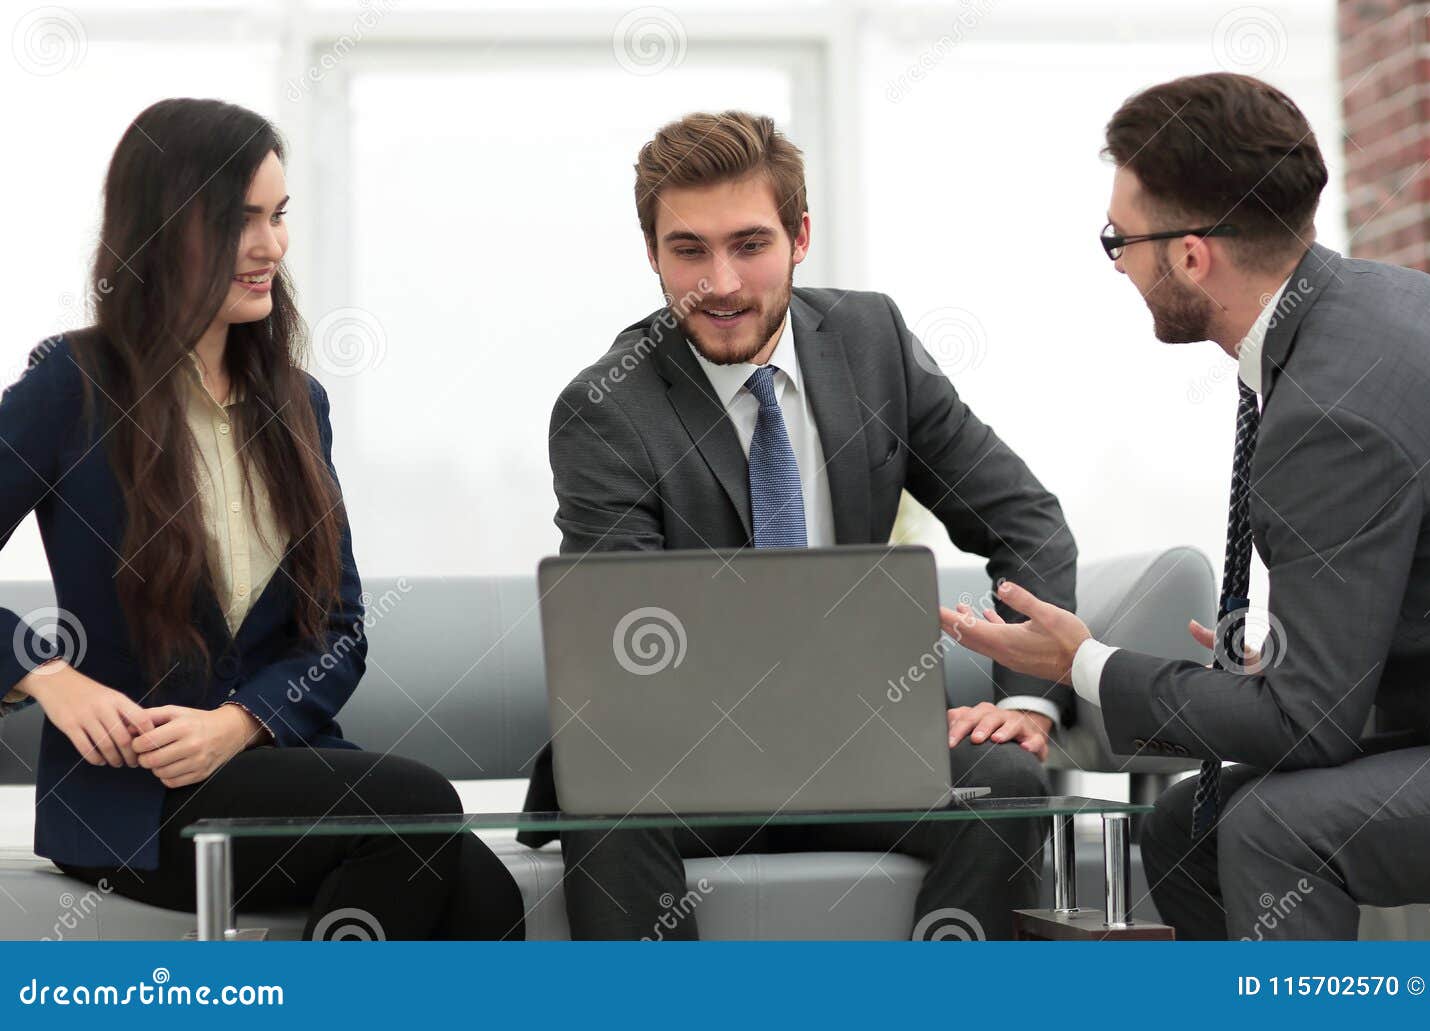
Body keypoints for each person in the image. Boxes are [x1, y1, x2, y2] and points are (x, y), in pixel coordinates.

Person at [942, 72, 1430, 940]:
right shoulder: (1376, 307)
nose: (1121, 266)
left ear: (1190, 254)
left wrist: (1083, 663)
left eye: (1120, 239)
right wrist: (1283, 665)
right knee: (1184, 826)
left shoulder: (1329, 407)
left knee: (1274, 829)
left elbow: (1308, 725)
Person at [521, 110, 1078, 940]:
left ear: (800, 235)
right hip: (684, 765)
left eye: (749, 244)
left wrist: (1028, 698)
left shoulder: (870, 343)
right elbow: (626, 641)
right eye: (688, 250)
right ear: (652, 253)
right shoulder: (608, 409)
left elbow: (1024, 518)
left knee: (1006, 779)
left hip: (865, 750)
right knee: (610, 783)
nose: (721, 282)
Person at [0, 98, 523, 941]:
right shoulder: (75, 382)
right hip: (136, 800)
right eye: (240, 220)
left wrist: (240, 723)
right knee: (420, 808)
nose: (271, 246)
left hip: (265, 763)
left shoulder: (296, 402)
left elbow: (341, 628)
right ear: (163, 228)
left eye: (278, 217)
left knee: (488, 895)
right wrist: (47, 678)